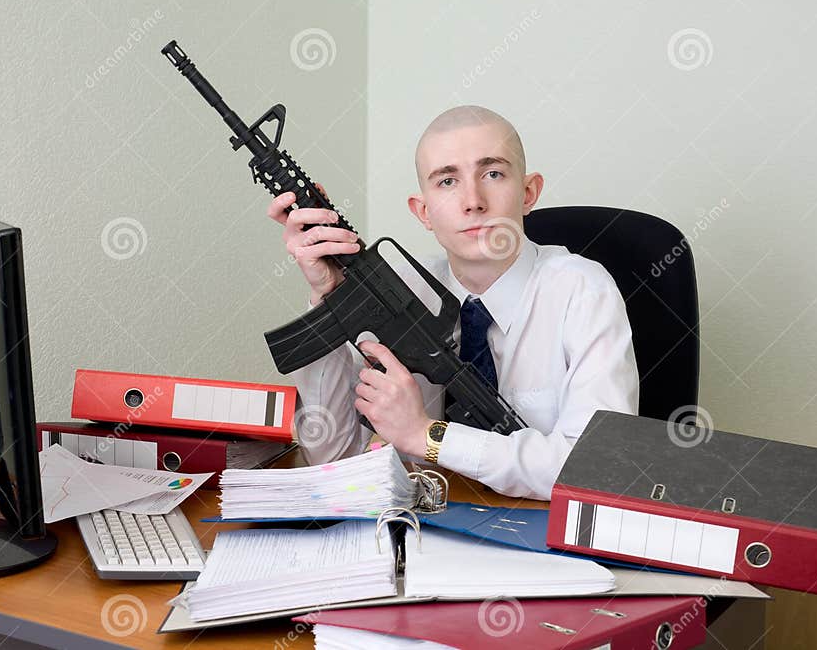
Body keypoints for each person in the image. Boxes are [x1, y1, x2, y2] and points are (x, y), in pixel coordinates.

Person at [266, 105, 639, 500]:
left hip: (542, 541)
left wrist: (427, 436)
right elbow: (334, 458)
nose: (473, 201)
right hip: (422, 538)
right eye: (447, 181)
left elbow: (598, 471)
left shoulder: (583, 291)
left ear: (528, 193)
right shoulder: (401, 292)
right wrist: (329, 296)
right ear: (423, 212)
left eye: (492, 174)